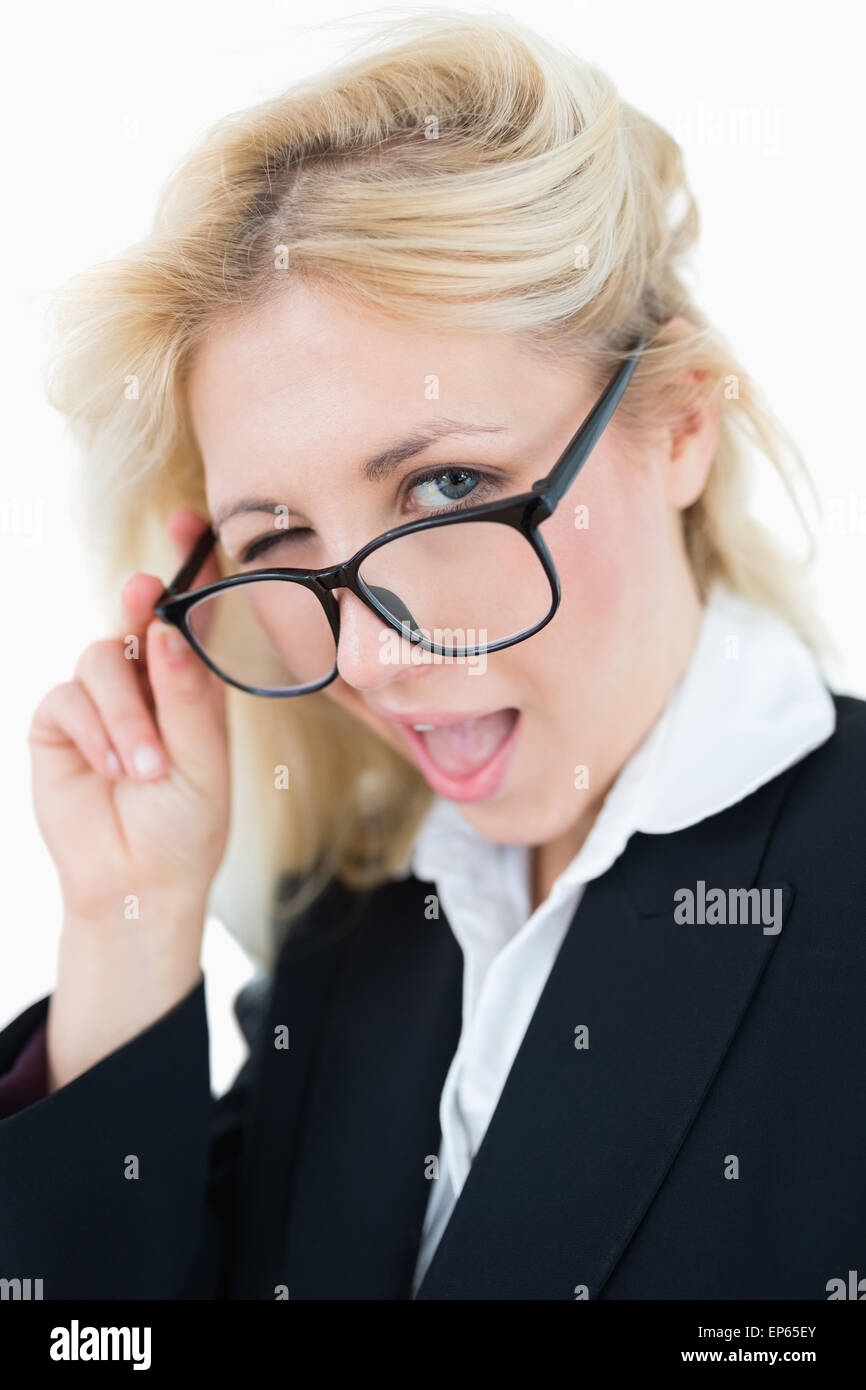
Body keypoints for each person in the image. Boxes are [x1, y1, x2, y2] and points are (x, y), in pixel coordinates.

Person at [1, 11, 864, 1301]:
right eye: (278, 534)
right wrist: (128, 925)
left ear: (677, 420)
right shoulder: (364, 935)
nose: (370, 657)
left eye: (448, 487)